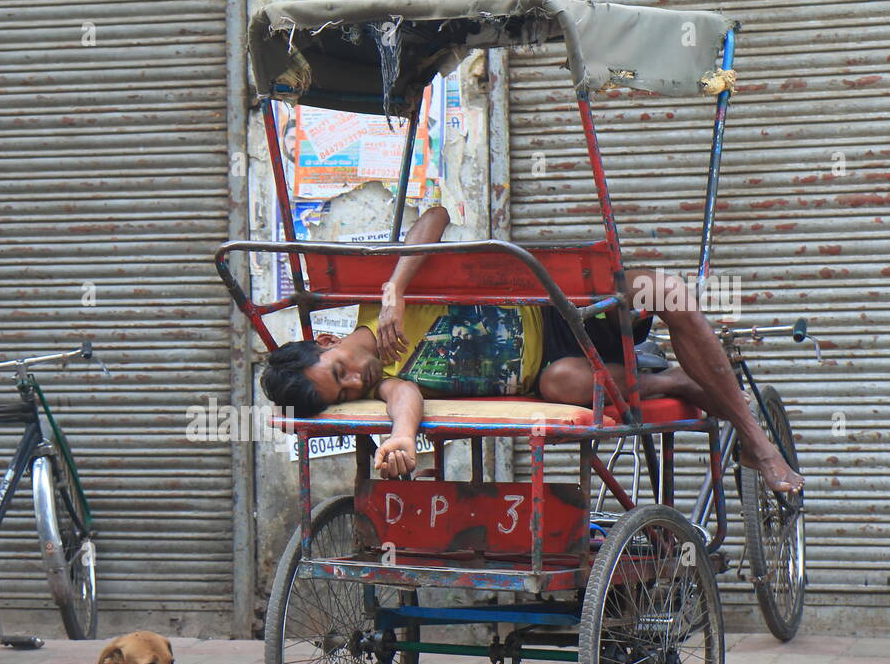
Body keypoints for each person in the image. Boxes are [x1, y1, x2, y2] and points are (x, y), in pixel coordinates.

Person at [260, 205, 804, 492]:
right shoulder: (383, 383)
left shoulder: (379, 310)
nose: (355, 381)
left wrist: (396, 286)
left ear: (328, 342)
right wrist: (401, 438)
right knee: (561, 384)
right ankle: (682, 382)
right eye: (344, 390)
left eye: (340, 370)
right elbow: (403, 399)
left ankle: (757, 442)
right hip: (556, 366)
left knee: (665, 290)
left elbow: (436, 215)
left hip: (561, 309)